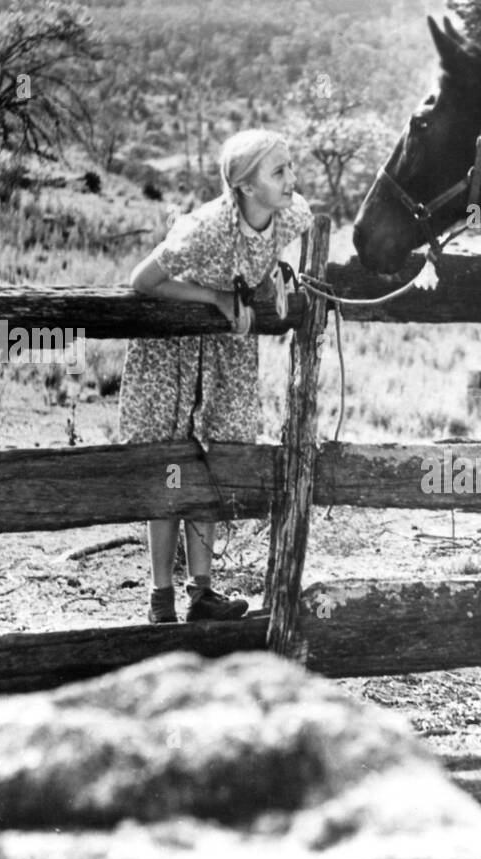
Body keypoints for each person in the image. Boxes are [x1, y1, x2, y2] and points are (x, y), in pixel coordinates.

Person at [121, 129, 312, 623]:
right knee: (169, 468)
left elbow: (283, 250)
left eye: (291, 167)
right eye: (279, 171)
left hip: (227, 354)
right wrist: (215, 299)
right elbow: (143, 282)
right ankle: (160, 597)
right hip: (171, 354)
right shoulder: (204, 228)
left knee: (210, 466)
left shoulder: (291, 214)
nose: (292, 179)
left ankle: (200, 594)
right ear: (245, 188)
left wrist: (276, 277)